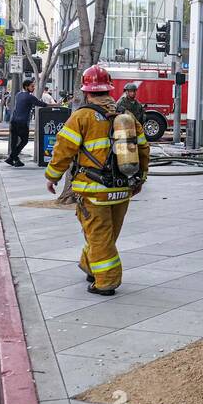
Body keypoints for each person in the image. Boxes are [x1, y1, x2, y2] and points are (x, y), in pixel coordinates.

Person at [44, 65, 150, 295]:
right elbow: (142, 148)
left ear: (86, 91)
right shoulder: (126, 116)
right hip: (122, 188)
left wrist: (52, 177)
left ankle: (107, 281)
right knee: (106, 234)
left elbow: (63, 150)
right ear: (109, 89)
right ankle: (88, 264)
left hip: (94, 190)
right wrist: (140, 179)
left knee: (99, 235)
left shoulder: (81, 117)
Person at [5, 78, 46, 167]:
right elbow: (41, 104)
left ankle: (14, 159)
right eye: (32, 86)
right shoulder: (29, 97)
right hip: (22, 122)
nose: (33, 88)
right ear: (26, 87)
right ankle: (12, 157)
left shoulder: (18, 94)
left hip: (13, 121)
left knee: (14, 141)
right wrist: (56, 105)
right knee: (24, 140)